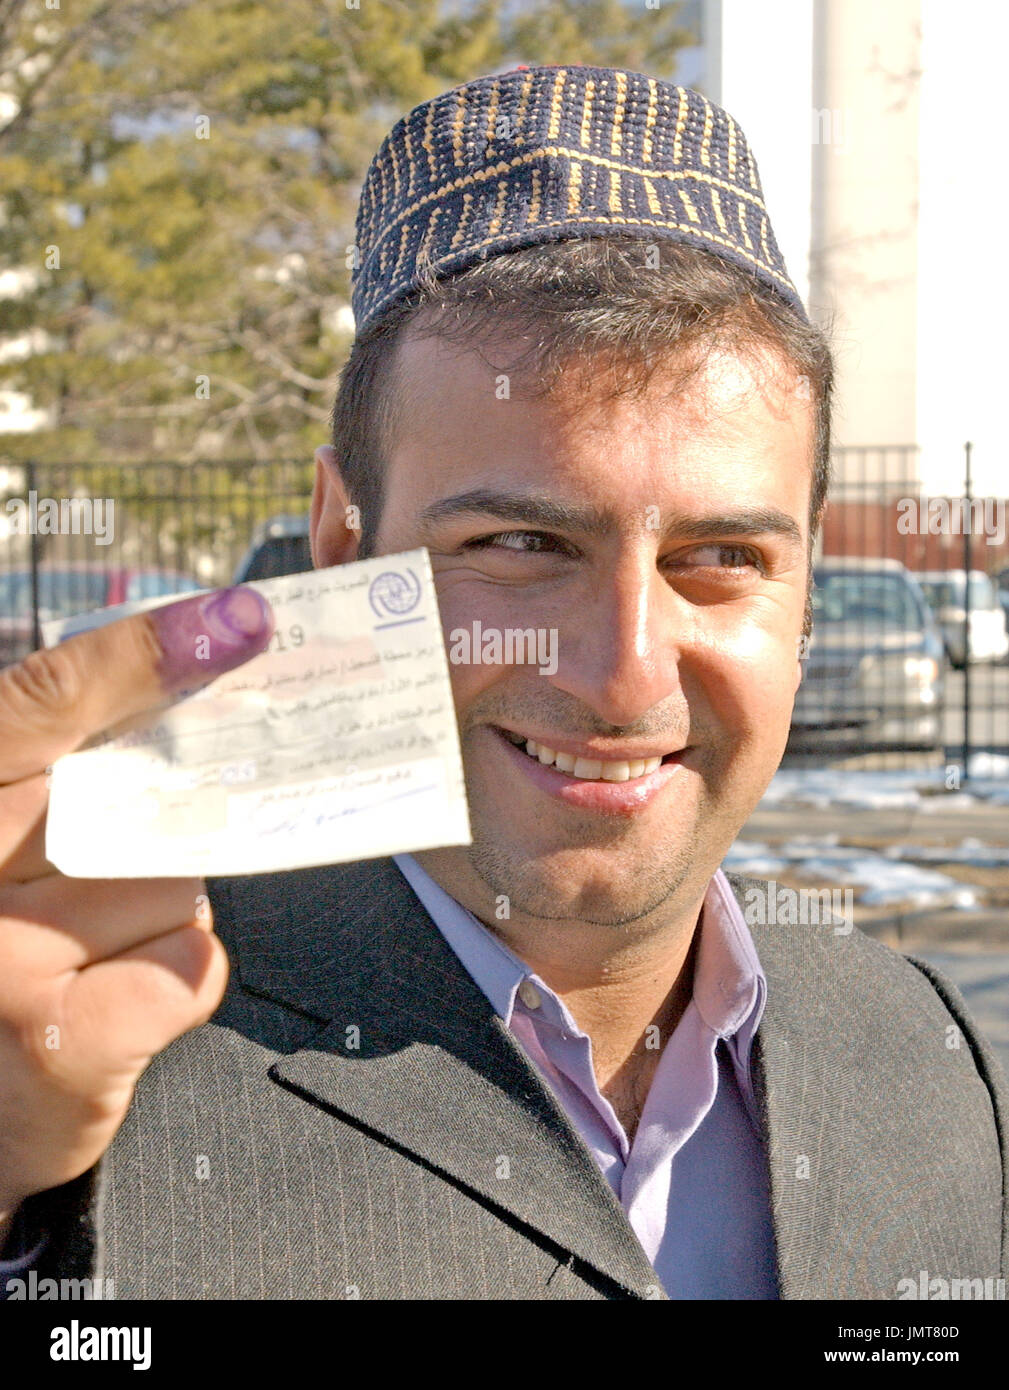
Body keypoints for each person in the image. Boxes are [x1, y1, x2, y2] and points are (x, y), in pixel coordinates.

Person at [1, 65, 1005, 1301]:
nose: (624, 672)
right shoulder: (81, 1081)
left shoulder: (931, 1057)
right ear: (338, 544)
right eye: (521, 547)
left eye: (721, 558)